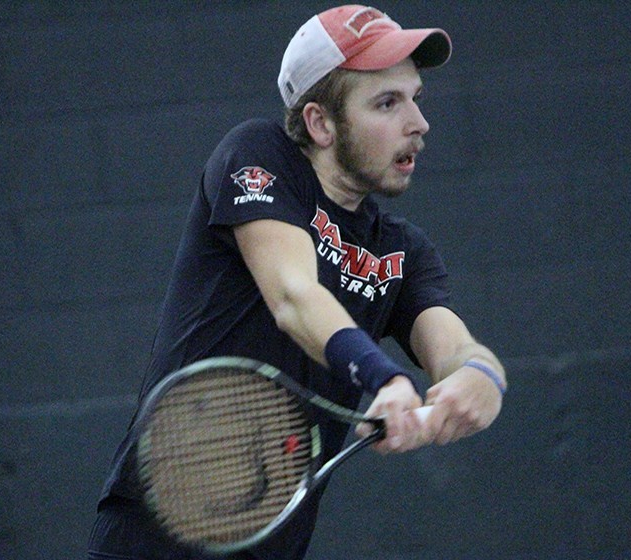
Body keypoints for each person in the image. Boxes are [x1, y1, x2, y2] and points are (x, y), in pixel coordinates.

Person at [87, 5, 506, 559]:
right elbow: (293, 296)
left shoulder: (403, 251)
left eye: (416, 99)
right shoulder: (256, 157)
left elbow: (454, 347)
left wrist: (481, 379)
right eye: (387, 102)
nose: (418, 124)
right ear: (320, 123)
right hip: (149, 544)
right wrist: (383, 378)